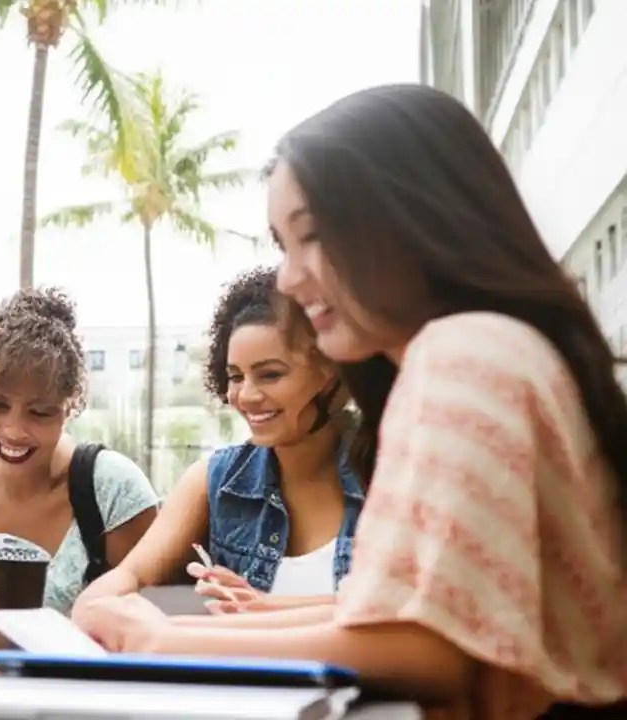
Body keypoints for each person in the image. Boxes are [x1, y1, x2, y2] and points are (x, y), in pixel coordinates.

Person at [73, 84, 626, 719]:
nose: (287, 277)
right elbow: (399, 619)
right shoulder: (493, 348)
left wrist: (166, 641)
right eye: (283, 244)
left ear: (411, 218)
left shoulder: (462, 354)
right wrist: (165, 633)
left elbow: (431, 647)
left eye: (312, 237)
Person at [74, 267, 361, 616]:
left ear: (331, 370)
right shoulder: (219, 479)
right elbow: (129, 576)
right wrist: (93, 604)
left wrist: (268, 606)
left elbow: (407, 612)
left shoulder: (391, 474)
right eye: (236, 377)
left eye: (270, 374)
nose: (247, 395)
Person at [0, 288, 159, 614]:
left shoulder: (114, 493)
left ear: (68, 408)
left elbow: (152, 623)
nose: (14, 431)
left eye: (39, 412)